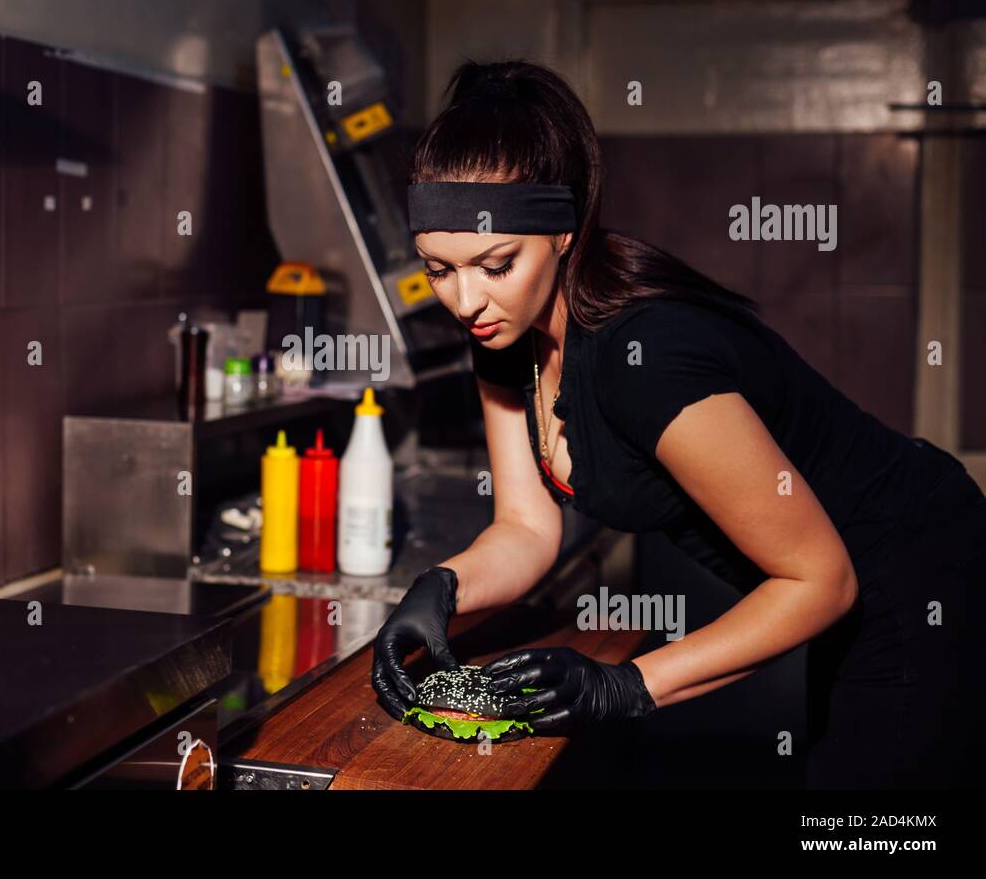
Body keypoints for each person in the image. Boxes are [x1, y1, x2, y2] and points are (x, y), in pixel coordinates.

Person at [370, 59, 986, 788]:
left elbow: (820, 581)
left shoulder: (645, 359)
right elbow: (528, 531)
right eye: (439, 269)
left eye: (494, 264)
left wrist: (621, 686)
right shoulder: (508, 338)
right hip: (831, 578)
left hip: (916, 569)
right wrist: (442, 589)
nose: (465, 301)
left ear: (563, 232)